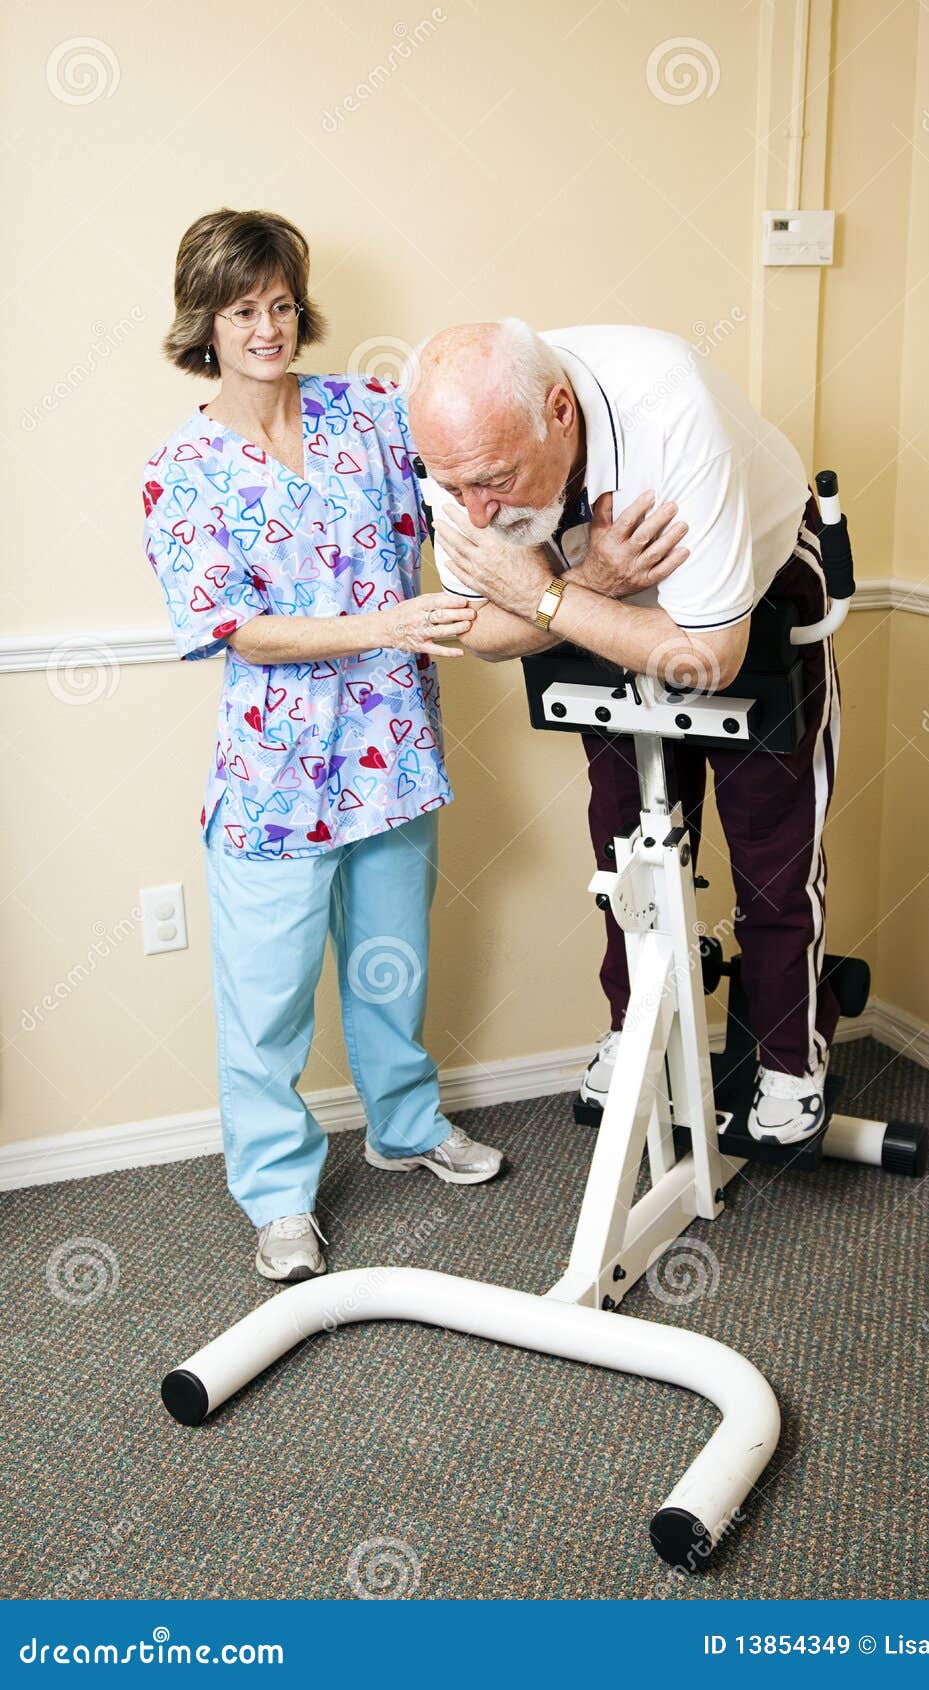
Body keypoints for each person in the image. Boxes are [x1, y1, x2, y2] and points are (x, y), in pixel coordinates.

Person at [142, 209, 504, 1285]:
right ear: (204, 322)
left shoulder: (370, 415)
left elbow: (462, 503)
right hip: (271, 783)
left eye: (282, 305)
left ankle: (402, 1123)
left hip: (390, 755)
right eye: (243, 309)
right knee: (265, 1006)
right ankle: (277, 1194)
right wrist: (384, 624)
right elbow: (233, 627)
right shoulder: (182, 469)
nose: (267, 328)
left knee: (392, 970)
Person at [408, 319, 841, 1145]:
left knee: (769, 843)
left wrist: (545, 597)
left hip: (755, 587)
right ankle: (633, 1027)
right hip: (604, 594)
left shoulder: (669, 408)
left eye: (495, 481)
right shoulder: (464, 454)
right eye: (454, 487)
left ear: (559, 412)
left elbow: (705, 657)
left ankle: (790, 1061)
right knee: (625, 844)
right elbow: (481, 636)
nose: (476, 511)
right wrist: (595, 579)